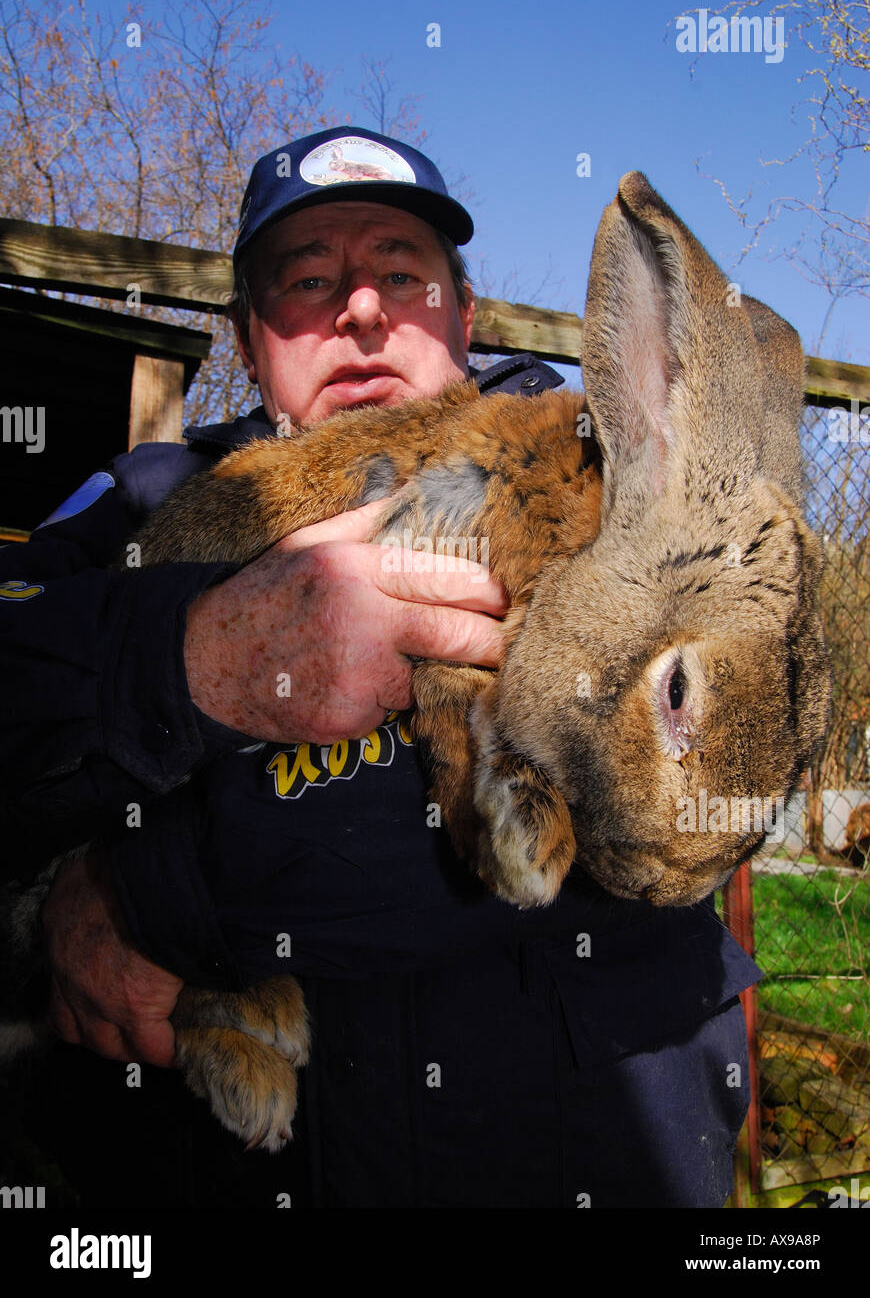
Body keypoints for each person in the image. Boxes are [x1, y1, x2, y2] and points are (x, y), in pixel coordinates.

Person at [0, 126, 760, 1208]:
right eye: (306, 282)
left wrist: (143, 898)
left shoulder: (618, 465)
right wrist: (199, 656)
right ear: (247, 339)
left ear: (466, 312)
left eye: (400, 274)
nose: (359, 309)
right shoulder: (145, 501)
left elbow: (688, 767)